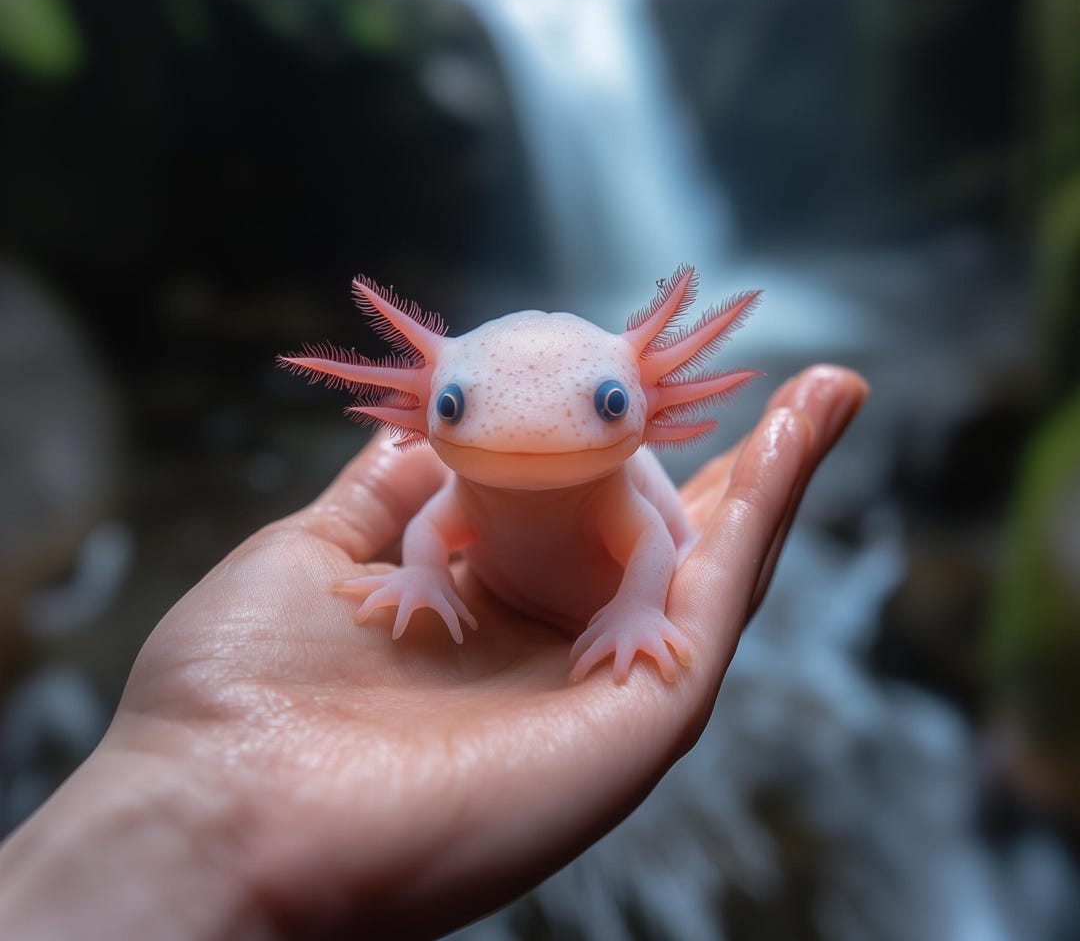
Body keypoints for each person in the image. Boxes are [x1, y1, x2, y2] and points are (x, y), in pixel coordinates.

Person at [0, 365, 866, 939]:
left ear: (649, 402)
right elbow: (429, 534)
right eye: (460, 407)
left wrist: (642, 609)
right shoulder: (464, 482)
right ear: (420, 406)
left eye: (605, 404)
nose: (531, 435)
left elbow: (653, 546)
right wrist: (424, 579)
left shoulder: (618, 487)